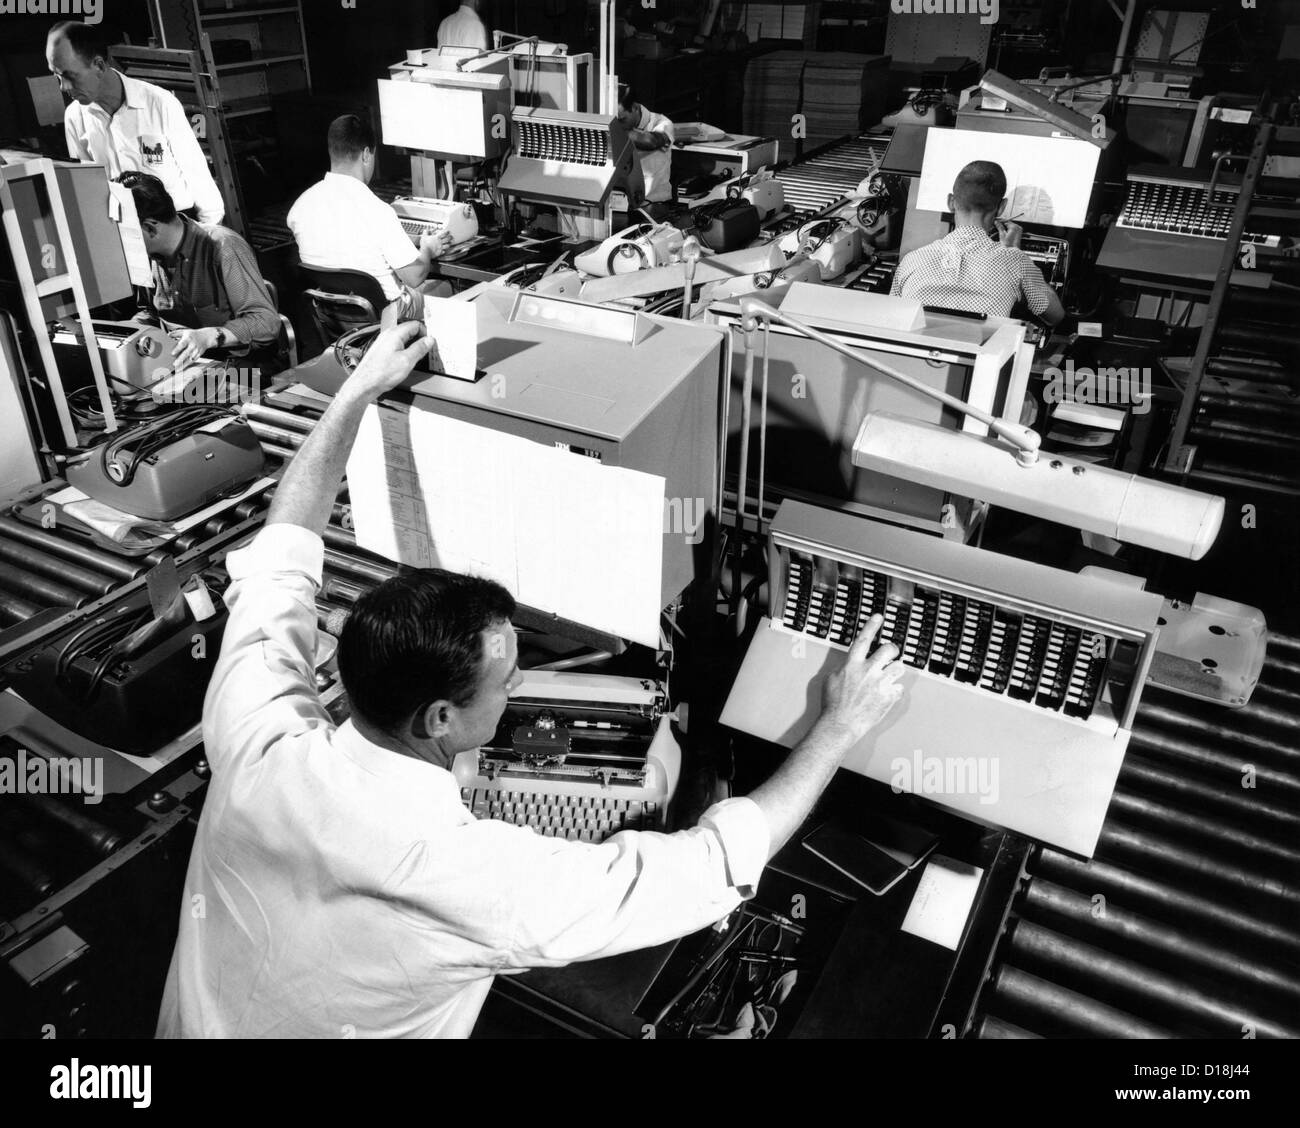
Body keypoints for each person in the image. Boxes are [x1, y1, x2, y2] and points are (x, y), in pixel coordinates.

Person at [156, 320, 906, 1038]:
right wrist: (838, 726)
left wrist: (356, 391)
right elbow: (714, 864)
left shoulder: (254, 730)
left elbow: (285, 548)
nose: (519, 689)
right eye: (507, 679)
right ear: (440, 719)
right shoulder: (471, 881)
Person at [47, 21, 225, 226]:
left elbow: (196, 174)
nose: (63, 87)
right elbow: (87, 187)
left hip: (175, 223)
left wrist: (209, 233)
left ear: (99, 65)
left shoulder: (159, 103)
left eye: (70, 75)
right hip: (122, 226)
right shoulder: (75, 116)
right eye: (57, 76)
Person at [121, 172, 279, 372]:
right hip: (178, 366)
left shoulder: (223, 246)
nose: (121, 243)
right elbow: (151, 313)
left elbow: (266, 323)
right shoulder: (148, 256)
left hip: (236, 368)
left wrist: (207, 337)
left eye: (126, 234)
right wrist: (121, 332)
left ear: (150, 228)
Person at [287, 115, 452, 305]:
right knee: (449, 289)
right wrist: (427, 249)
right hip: (388, 315)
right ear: (366, 154)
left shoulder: (299, 209)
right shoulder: (377, 210)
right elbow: (414, 277)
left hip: (334, 316)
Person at [891, 160, 1065, 327]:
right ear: (1002, 207)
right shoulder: (1015, 261)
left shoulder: (910, 261)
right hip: (980, 357)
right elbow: (1055, 317)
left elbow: (891, 318)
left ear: (951, 202)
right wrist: (1012, 252)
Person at [616, 87, 675, 206]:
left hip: (655, 203)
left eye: (622, 120)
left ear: (634, 108)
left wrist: (616, 131)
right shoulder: (620, 126)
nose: (619, 124)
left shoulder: (663, 123)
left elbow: (651, 141)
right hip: (622, 203)